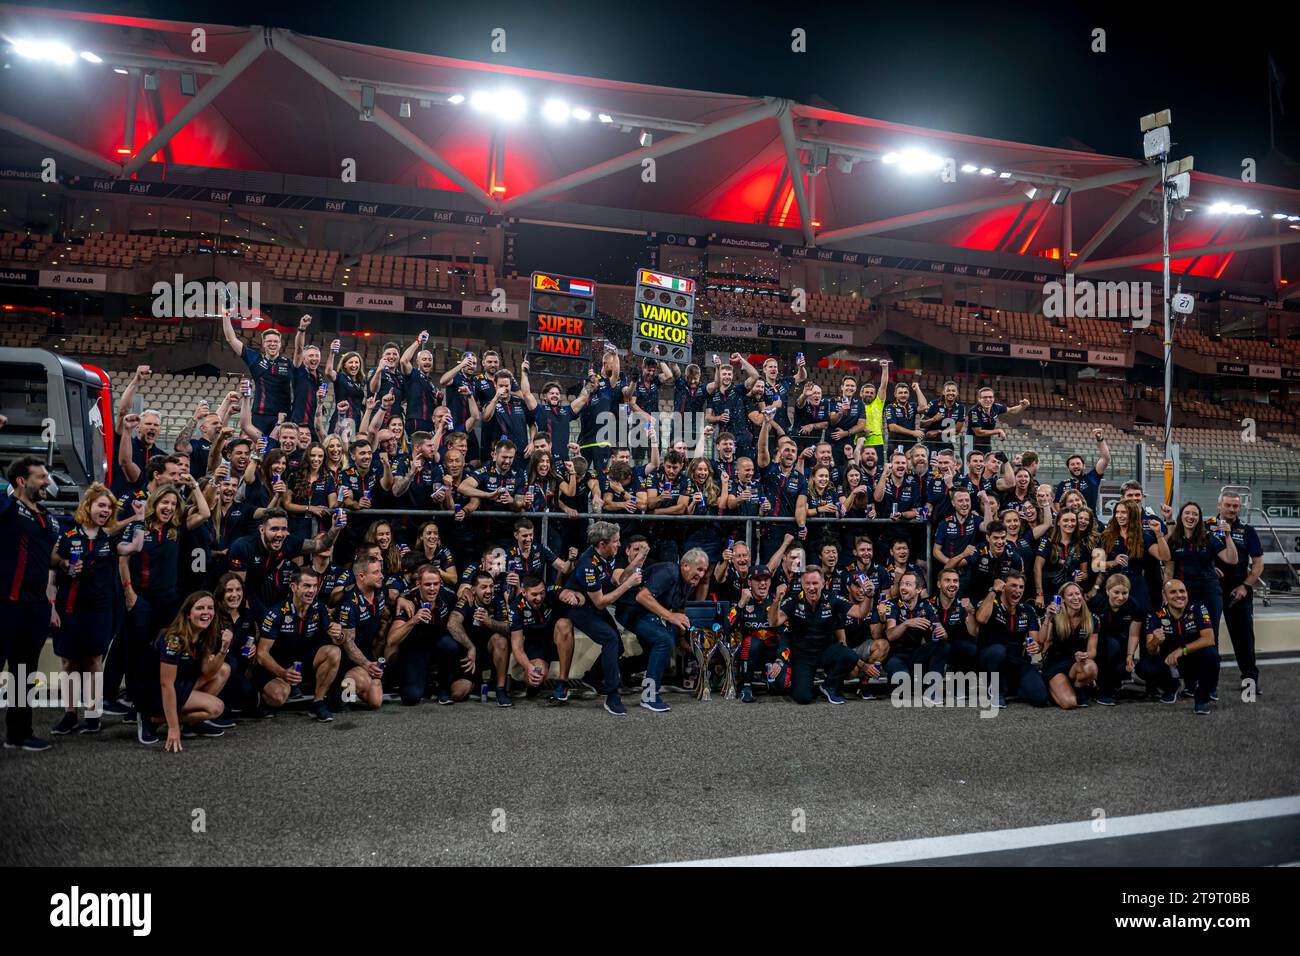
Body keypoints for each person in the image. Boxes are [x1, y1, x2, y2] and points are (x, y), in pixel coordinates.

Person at [47, 484, 118, 736]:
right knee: (69, 662)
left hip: (100, 609)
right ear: (88, 506)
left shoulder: (109, 538)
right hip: (69, 607)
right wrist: (52, 606)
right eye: (101, 505)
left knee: (94, 661)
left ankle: (93, 713)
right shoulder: (67, 535)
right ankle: (69, 714)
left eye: (109, 507)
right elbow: (52, 568)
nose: (106, 510)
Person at [1, 457, 58, 751]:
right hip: (6, 605)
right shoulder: (8, 509)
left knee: (25, 674)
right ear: (22, 481)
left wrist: (63, 565)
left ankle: (19, 734)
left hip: (35, 607)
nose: (47, 481)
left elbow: (49, 557)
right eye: (41, 477)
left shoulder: (47, 518)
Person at [562, 521, 646, 716]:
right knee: (610, 639)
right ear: (602, 544)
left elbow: (619, 578)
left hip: (592, 605)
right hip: (580, 608)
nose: (619, 544)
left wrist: (639, 559)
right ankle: (612, 695)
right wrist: (628, 585)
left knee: (618, 645)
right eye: (616, 541)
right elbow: (600, 602)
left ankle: (592, 678)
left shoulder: (607, 555)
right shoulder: (587, 565)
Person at [615, 550, 708, 713]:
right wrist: (669, 616)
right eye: (699, 569)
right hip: (631, 610)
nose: (702, 574)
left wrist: (680, 639)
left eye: (704, 571)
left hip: (649, 613)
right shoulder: (669, 572)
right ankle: (650, 696)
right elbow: (642, 596)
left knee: (661, 655)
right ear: (685, 565)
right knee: (663, 641)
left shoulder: (689, 582)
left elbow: (680, 607)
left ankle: (618, 668)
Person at [141, 592, 232, 751]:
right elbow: (165, 684)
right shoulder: (174, 639)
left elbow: (208, 672)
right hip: (154, 692)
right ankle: (153, 719)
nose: (206, 612)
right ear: (188, 614)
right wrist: (173, 728)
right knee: (216, 708)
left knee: (224, 669)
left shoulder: (204, 634)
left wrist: (224, 649)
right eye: (200, 608)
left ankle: (192, 725)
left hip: (180, 684)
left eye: (210, 608)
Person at [255, 567, 339, 722]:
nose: (312, 591)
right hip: (276, 667)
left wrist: (339, 634)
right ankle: (259, 697)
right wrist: (283, 673)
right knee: (278, 696)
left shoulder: (319, 607)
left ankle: (318, 702)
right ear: (294, 587)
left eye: (314, 586)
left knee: (334, 652)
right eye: (306, 586)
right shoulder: (276, 613)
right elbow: (261, 654)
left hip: (302, 663)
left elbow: (336, 638)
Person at [772, 566, 861, 705]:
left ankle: (829, 685)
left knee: (851, 656)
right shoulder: (793, 600)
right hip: (803, 656)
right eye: (807, 583)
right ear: (802, 584)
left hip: (826, 651)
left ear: (823, 583)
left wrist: (869, 596)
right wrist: (777, 599)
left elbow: (860, 613)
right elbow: (774, 622)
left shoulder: (832, 598)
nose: (811, 587)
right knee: (803, 698)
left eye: (815, 583)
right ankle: (805, 682)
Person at [1209, 491, 1265, 694]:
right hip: (1212, 589)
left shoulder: (1247, 531)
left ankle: (1250, 678)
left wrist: (1245, 586)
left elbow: (1258, 564)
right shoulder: (1207, 526)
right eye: (1228, 505)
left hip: (1238, 590)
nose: (1232, 509)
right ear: (1219, 505)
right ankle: (1207, 680)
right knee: (1208, 636)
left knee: (1244, 638)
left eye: (1236, 506)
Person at [1138, 579, 1219, 715]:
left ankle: (1201, 698)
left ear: (1187, 593)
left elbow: (1209, 639)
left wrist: (1182, 650)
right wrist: (1155, 642)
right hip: (1170, 663)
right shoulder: (1156, 614)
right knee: (1144, 667)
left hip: (1193, 659)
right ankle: (1171, 686)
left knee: (1212, 655)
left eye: (1182, 591)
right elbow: (1151, 651)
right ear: (1164, 595)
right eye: (1173, 592)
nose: (1179, 595)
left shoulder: (1198, 608)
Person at [387, 565, 460, 705]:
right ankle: (420, 680)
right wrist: (413, 620)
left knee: (450, 645)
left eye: (436, 584)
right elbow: (391, 640)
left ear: (440, 584)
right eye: (427, 584)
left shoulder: (447, 595)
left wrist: (471, 648)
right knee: (411, 698)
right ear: (418, 584)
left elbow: (462, 610)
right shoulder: (408, 601)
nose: (432, 588)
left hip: (438, 644)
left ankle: (443, 689)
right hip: (415, 648)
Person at [1164, 501, 1237, 641]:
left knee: (1211, 635)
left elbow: (1231, 559)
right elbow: (1169, 570)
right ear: (1181, 517)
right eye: (1187, 513)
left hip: (1209, 593)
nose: (1191, 517)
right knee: (1186, 635)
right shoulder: (1174, 540)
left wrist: (1228, 536)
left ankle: (1212, 661)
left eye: (1195, 514)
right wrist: (1165, 593)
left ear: (1199, 518)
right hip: (1184, 594)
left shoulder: (1209, 537)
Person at [505, 575, 581, 705]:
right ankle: (531, 685)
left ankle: (563, 683)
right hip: (536, 645)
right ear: (524, 592)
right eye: (534, 594)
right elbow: (517, 646)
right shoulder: (516, 608)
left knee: (564, 624)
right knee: (535, 680)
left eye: (542, 593)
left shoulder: (550, 591)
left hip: (556, 638)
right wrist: (528, 667)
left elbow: (565, 592)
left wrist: (571, 595)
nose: (539, 598)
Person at [975, 571, 1046, 708]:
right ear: (1003, 587)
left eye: (1021, 587)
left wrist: (1035, 646)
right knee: (999, 651)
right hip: (990, 658)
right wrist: (993, 591)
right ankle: (996, 690)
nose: (1017, 590)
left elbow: (1035, 641)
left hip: (1015, 660)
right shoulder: (991, 603)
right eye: (1013, 586)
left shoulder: (1028, 610)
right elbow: (981, 618)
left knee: (1040, 697)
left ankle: (1011, 686)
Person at [332, 554, 392, 711]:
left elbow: (387, 608)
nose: (381, 576)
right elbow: (347, 642)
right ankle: (342, 699)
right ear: (362, 576)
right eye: (376, 573)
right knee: (361, 681)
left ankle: (354, 691)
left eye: (380, 571)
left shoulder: (380, 591)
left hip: (367, 654)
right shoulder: (348, 603)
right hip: (347, 659)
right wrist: (366, 664)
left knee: (376, 702)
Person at [447, 570, 512, 706]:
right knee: (457, 694)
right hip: (469, 655)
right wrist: (470, 647)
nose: (489, 591)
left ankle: (500, 689)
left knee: (500, 640)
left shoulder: (498, 600)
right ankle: (475, 681)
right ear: (474, 590)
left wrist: (488, 622)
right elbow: (452, 623)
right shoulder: (467, 600)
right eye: (484, 587)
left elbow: (507, 628)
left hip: (490, 652)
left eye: (491, 586)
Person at [222, 314, 292, 433]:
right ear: (264, 344)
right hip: (259, 416)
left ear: (280, 344)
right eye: (269, 341)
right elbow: (231, 339)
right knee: (258, 448)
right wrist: (226, 315)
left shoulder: (288, 363)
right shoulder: (255, 359)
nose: (272, 344)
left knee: (279, 450)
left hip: (283, 416)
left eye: (276, 341)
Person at [1098, 500, 1168, 614]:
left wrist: (1159, 534)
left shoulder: (1144, 536)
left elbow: (1164, 556)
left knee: (1140, 620)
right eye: (1117, 512)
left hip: (1136, 585)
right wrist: (1114, 562)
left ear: (1133, 514)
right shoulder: (1106, 536)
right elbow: (1096, 565)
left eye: (1124, 512)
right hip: (1113, 583)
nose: (1119, 516)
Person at [1037, 582, 1097, 709]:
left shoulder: (1092, 618)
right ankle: (1052, 685)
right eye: (1070, 595)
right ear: (1062, 599)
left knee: (1091, 668)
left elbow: (1092, 651)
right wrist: (1047, 618)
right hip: (1056, 663)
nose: (1075, 597)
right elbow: (1041, 640)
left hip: (1076, 663)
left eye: (1077, 593)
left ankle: (1078, 686)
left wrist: (1085, 655)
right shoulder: (1056, 615)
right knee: (1069, 703)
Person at [1088, 573, 1143, 706]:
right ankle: (1103, 690)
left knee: (1123, 665)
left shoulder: (1134, 605)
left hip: (1120, 639)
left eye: (1125, 593)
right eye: (1116, 592)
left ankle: (1114, 684)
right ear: (1107, 591)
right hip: (1097, 639)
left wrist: (1130, 655)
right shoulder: (1096, 603)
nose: (1121, 597)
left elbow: (1134, 635)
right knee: (1111, 646)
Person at [1053, 429, 1110, 511]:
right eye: (1072, 464)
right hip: (1071, 522)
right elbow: (1057, 504)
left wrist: (1100, 439)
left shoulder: (1092, 478)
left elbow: (1105, 458)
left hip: (1090, 521)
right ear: (1068, 468)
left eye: (1078, 463)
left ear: (1084, 466)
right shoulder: (1062, 485)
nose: (1075, 466)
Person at [967, 387, 1030, 453]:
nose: (988, 399)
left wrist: (1022, 406)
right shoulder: (974, 411)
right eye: (985, 397)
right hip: (971, 443)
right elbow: (978, 432)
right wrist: (998, 431)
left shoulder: (996, 407)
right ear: (979, 399)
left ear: (993, 399)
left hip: (986, 443)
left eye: (990, 397)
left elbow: (1012, 410)